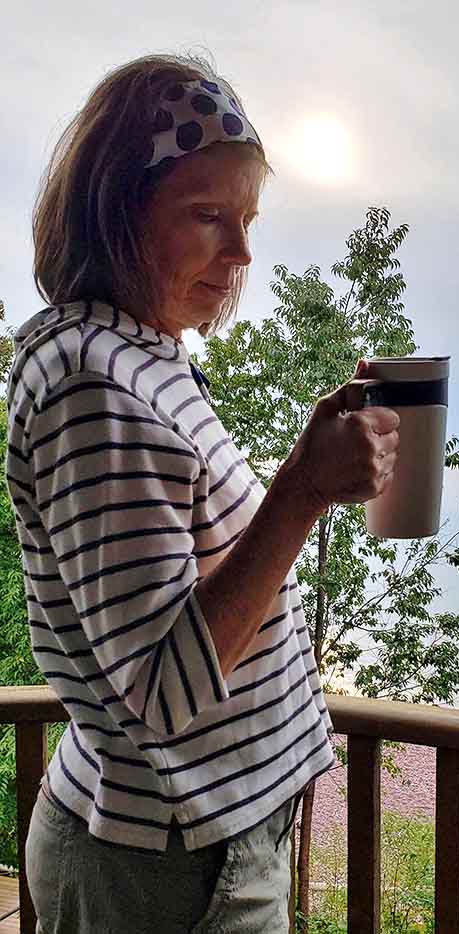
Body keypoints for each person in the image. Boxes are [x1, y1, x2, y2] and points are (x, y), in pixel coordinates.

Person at [5, 53, 399, 933]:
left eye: (247, 219)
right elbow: (164, 689)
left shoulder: (143, 356)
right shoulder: (92, 383)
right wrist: (301, 491)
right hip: (165, 871)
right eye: (209, 215)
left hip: (195, 847)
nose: (243, 252)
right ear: (115, 212)